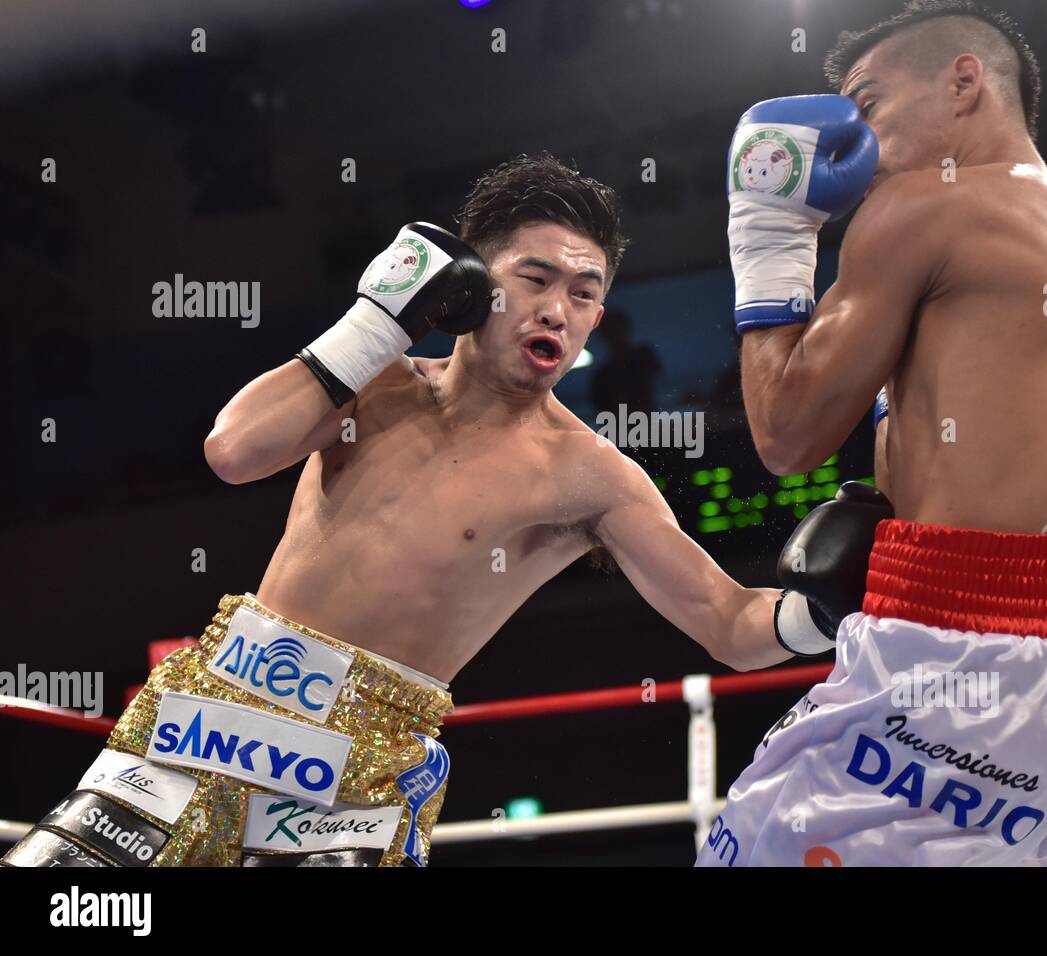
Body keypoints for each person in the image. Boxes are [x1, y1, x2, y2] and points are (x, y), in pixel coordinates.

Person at [4, 153, 800, 869]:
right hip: (200, 716)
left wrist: (838, 604)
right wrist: (375, 322)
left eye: (585, 295)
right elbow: (234, 451)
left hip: (349, 775)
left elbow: (728, 623)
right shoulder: (373, 381)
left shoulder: (590, 476)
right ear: (470, 283)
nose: (560, 308)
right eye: (536, 278)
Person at [699, 0, 1047, 867]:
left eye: (866, 104)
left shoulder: (919, 210)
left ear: (964, 82)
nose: (851, 143)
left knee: (748, 848)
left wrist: (770, 236)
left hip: (959, 643)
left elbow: (787, 434)